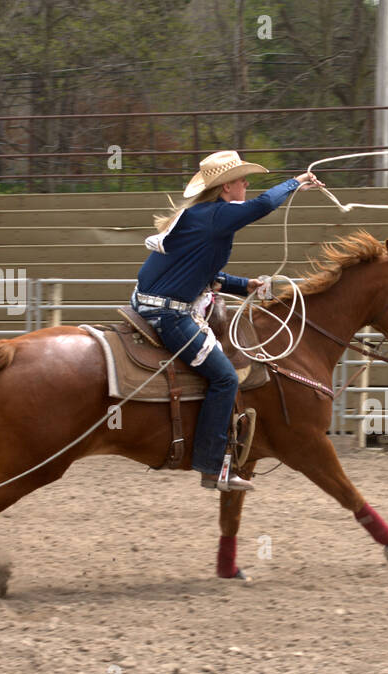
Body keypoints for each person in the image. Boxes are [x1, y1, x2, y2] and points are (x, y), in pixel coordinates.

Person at [133, 150, 322, 491]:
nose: (246, 184)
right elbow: (264, 204)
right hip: (169, 314)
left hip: (153, 303)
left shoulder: (201, 215)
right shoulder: (217, 216)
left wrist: (244, 285)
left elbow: (205, 271)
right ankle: (211, 466)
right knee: (224, 378)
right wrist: (296, 182)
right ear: (225, 188)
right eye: (240, 179)